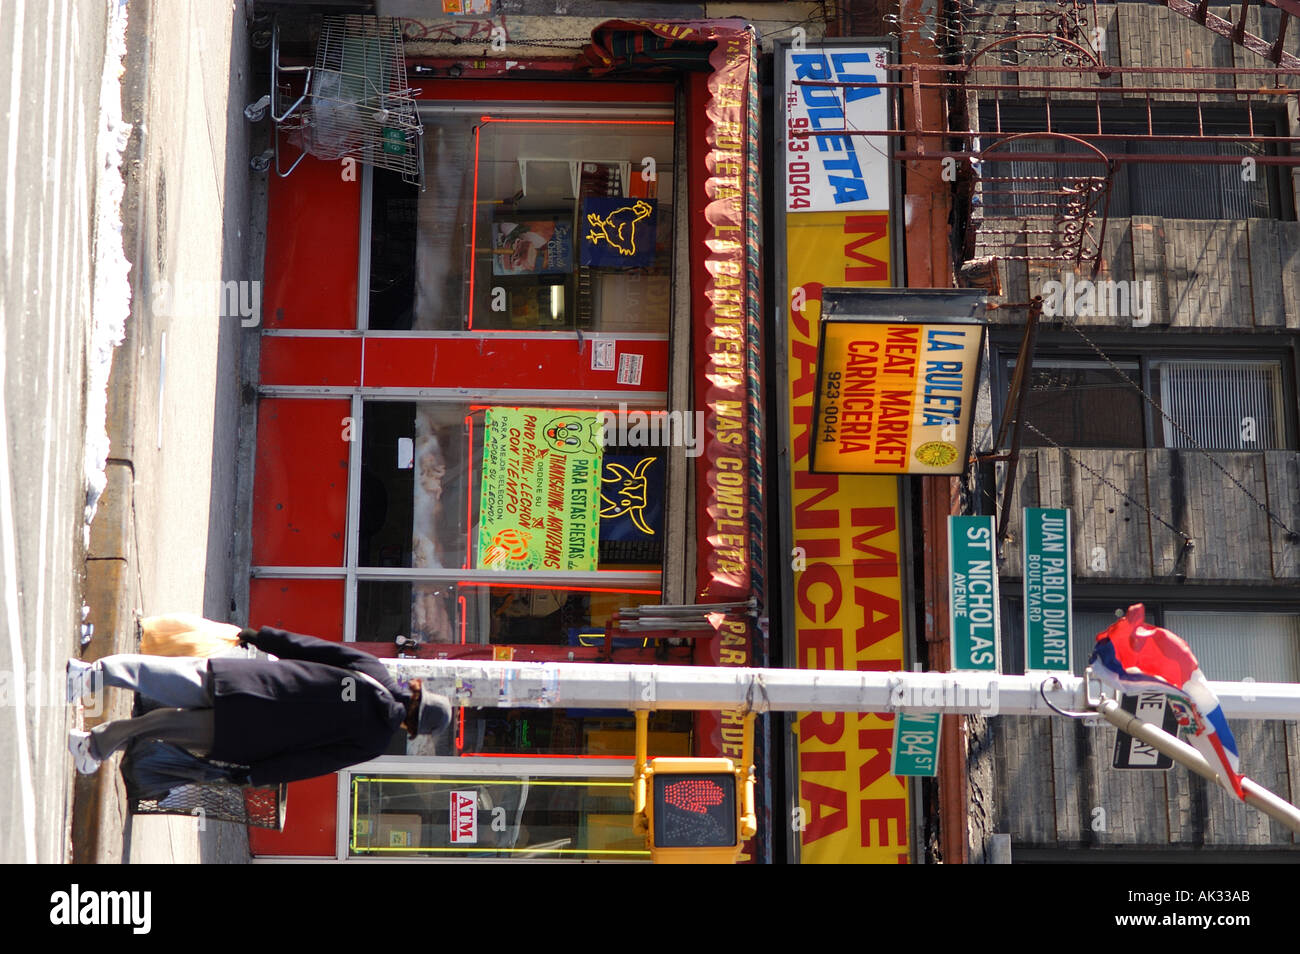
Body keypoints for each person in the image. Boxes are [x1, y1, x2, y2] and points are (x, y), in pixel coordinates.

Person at [67, 625, 452, 786]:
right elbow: (310, 762)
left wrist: (261, 636)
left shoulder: (373, 670)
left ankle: (87, 675)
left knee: (159, 677)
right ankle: (91, 746)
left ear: (416, 692)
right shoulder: (373, 741)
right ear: (414, 729)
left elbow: (312, 647)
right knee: (158, 726)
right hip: (247, 735)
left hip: (247, 682)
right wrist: (255, 775)